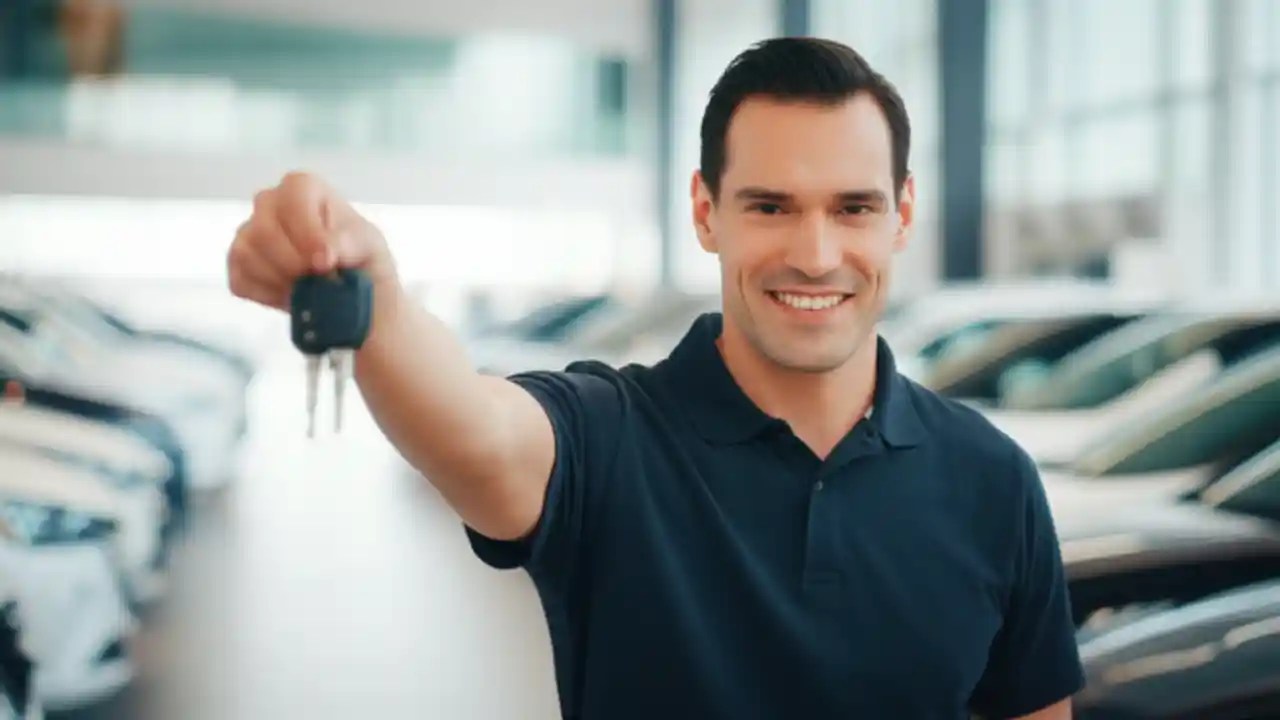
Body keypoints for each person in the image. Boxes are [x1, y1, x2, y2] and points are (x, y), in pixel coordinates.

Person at [227, 37, 1083, 720]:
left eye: (852, 208)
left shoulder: (992, 478)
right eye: (771, 206)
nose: (817, 255)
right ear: (707, 212)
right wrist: (374, 295)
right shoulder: (611, 437)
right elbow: (476, 429)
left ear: (902, 212)